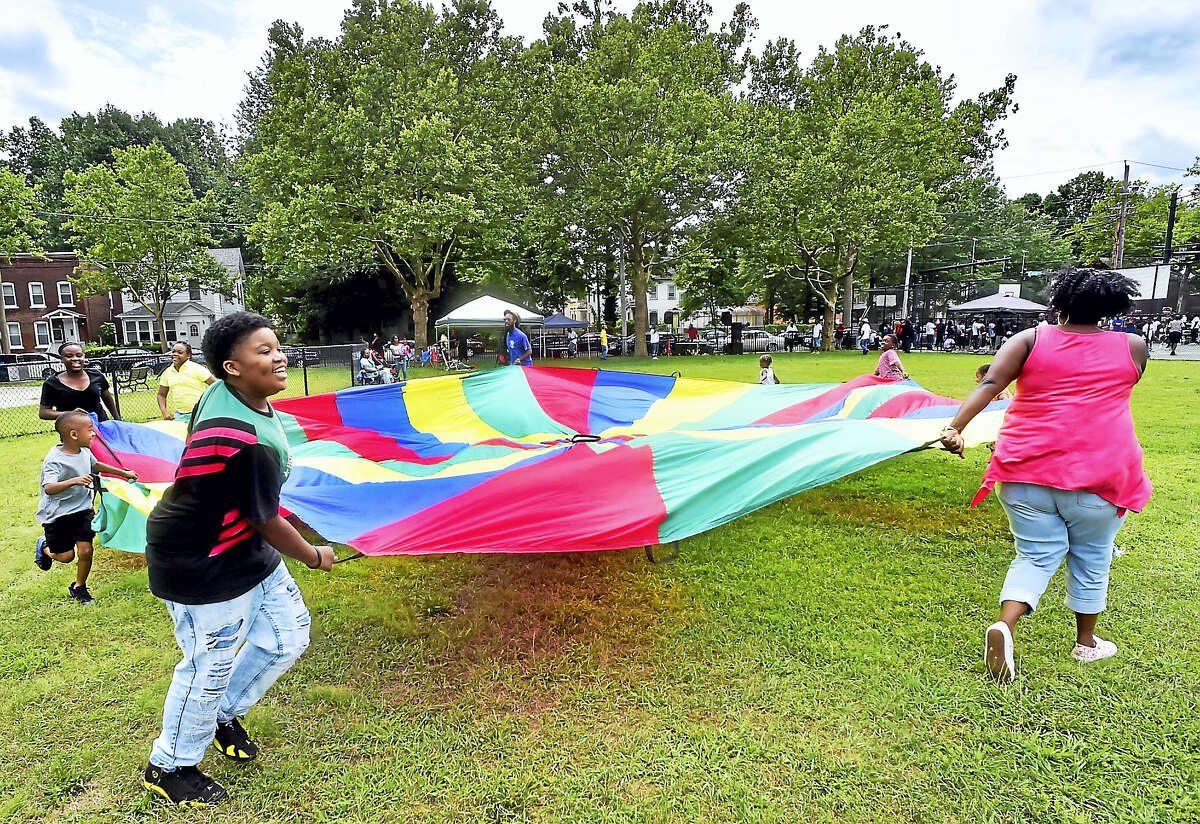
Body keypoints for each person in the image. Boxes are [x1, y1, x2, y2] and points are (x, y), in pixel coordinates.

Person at [142, 312, 334, 807]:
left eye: (277, 346)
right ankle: (170, 766)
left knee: (286, 638)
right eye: (263, 352)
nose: (279, 356)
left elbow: (258, 517)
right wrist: (314, 555)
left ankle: (223, 714)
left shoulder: (223, 391)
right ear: (231, 366)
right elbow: (267, 519)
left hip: (245, 548)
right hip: (200, 556)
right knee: (208, 665)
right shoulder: (244, 439)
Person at [939, 268, 1151, 684]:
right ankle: (1087, 643)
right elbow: (1122, 384)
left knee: (1035, 554)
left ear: (1060, 303)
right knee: (1092, 557)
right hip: (1101, 474)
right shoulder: (1133, 346)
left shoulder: (1029, 339)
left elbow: (991, 384)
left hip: (1024, 469)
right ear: (1114, 306)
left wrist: (954, 428)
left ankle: (1005, 626)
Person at [35, 411, 137, 604]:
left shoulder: (85, 451)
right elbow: (48, 488)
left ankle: (79, 587)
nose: (93, 434)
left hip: (82, 509)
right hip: (59, 514)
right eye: (90, 430)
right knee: (66, 556)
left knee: (86, 551)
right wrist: (74, 481)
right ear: (73, 435)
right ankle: (45, 547)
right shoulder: (54, 460)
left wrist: (123, 473)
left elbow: (96, 465)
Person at [39, 342, 120, 423]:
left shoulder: (96, 375)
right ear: (61, 359)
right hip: (72, 429)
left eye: (79, 355)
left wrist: (118, 419)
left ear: (84, 357)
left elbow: (108, 399)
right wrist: (70, 414)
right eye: (69, 356)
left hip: (101, 425)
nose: (75, 359)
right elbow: (43, 413)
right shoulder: (51, 383)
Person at [157, 342, 216, 421]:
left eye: (180, 352)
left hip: (200, 414)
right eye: (173, 351)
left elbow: (216, 385)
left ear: (188, 355)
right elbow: (161, 395)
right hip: (180, 415)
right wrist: (165, 413)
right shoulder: (167, 372)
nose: (175, 354)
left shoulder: (197, 368)